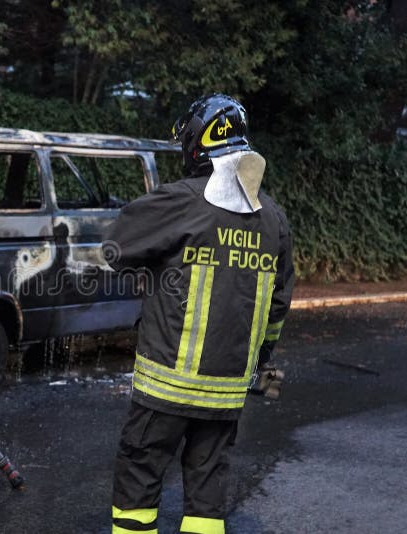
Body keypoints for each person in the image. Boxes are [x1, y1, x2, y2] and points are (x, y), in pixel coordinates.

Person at [105, 94, 294, 534]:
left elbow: (116, 248)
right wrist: (260, 360)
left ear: (196, 142)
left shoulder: (180, 201)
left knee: (138, 487)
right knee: (206, 500)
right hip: (226, 392)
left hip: (165, 388)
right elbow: (277, 308)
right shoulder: (274, 219)